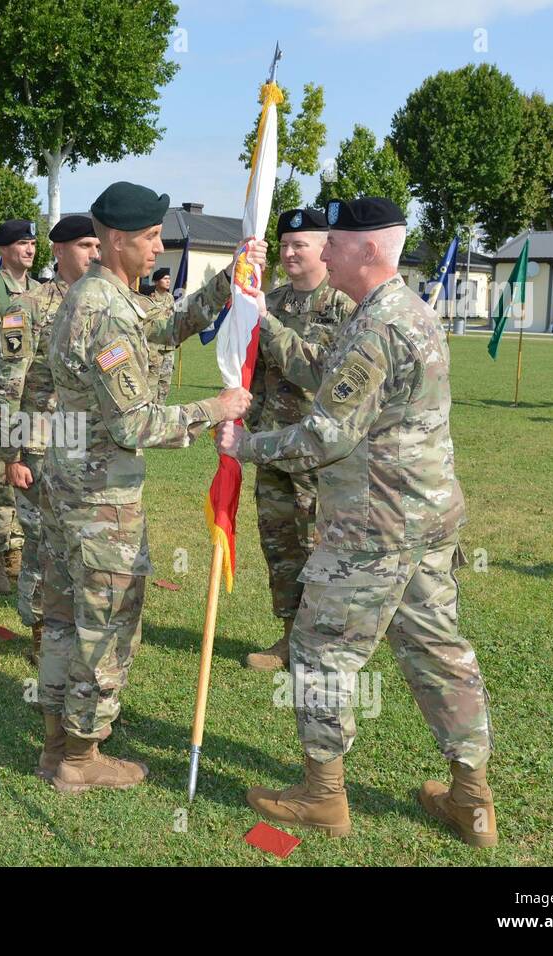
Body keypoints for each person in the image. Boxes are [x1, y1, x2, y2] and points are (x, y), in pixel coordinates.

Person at [216, 197, 496, 846]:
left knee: (316, 653)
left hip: (375, 530)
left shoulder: (376, 327)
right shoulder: (403, 312)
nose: (325, 250)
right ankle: (472, 800)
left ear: (368, 249)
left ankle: (322, 798)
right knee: (440, 656)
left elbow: (322, 436)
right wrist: (267, 323)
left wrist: (244, 447)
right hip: (426, 522)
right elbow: (329, 375)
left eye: (336, 242)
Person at [37, 182, 253, 793]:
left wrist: (228, 282)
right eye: (152, 237)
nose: (160, 247)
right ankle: (81, 758)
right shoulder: (103, 310)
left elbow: (167, 326)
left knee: (62, 617)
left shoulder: (105, 297)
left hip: (71, 487)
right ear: (116, 240)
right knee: (106, 622)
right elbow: (134, 423)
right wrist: (216, 406)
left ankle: (59, 743)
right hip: (100, 500)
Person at [0, 215, 99, 669]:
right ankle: (40, 630)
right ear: (59, 251)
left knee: (80, 541)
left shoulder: (107, 303)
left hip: (89, 447)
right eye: (85, 245)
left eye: (97, 246)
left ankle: (74, 628)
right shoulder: (26, 307)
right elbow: (6, 383)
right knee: (41, 542)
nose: (94, 254)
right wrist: (9, 453)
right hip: (40, 445)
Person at [244, 207, 354, 671]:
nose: (288, 253)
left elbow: (321, 371)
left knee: (320, 548)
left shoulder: (345, 307)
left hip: (318, 455)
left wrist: (265, 320)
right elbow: (257, 375)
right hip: (272, 447)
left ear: (324, 249)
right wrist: (245, 424)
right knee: (281, 546)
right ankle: (290, 637)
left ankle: (321, 644)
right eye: (284, 245)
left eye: (299, 245)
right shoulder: (274, 300)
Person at [0, 220, 39, 594]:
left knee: (27, 481)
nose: (29, 250)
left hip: (33, 406)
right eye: (21, 243)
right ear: (3, 249)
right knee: (0, 484)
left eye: (32, 243)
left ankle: (19, 551)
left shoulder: (41, 292)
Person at [143, 267, 178, 401]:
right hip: (153, 348)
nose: (168, 281)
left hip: (168, 348)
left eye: (169, 278)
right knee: (151, 383)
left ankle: (160, 412)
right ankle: (148, 413)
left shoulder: (170, 298)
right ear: (156, 281)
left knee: (165, 383)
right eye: (165, 278)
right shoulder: (149, 299)